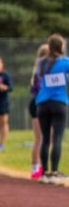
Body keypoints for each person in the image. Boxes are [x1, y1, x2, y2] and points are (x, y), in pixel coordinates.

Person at [35, 34, 69, 184]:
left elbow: (40, 78)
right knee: (57, 139)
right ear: (61, 47)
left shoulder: (41, 63)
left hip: (42, 104)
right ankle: (54, 173)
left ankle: (44, 173)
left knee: (45, 139)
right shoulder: (66, 62)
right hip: (59, 103)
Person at [29, 44, 49, 179]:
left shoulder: (38, 69)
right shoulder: (42, 70)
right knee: (42, 139)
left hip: (37, 104)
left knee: (40, 139)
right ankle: (38, 168)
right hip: (38, 105)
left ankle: (37, 167)